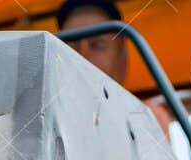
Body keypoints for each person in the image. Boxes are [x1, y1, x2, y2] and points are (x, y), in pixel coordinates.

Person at [56, 0, 172, 137]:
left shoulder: (148, 119)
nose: (82, 57)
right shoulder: (38, 118)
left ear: (122, 56)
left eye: (97, 45)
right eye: (71, 47)